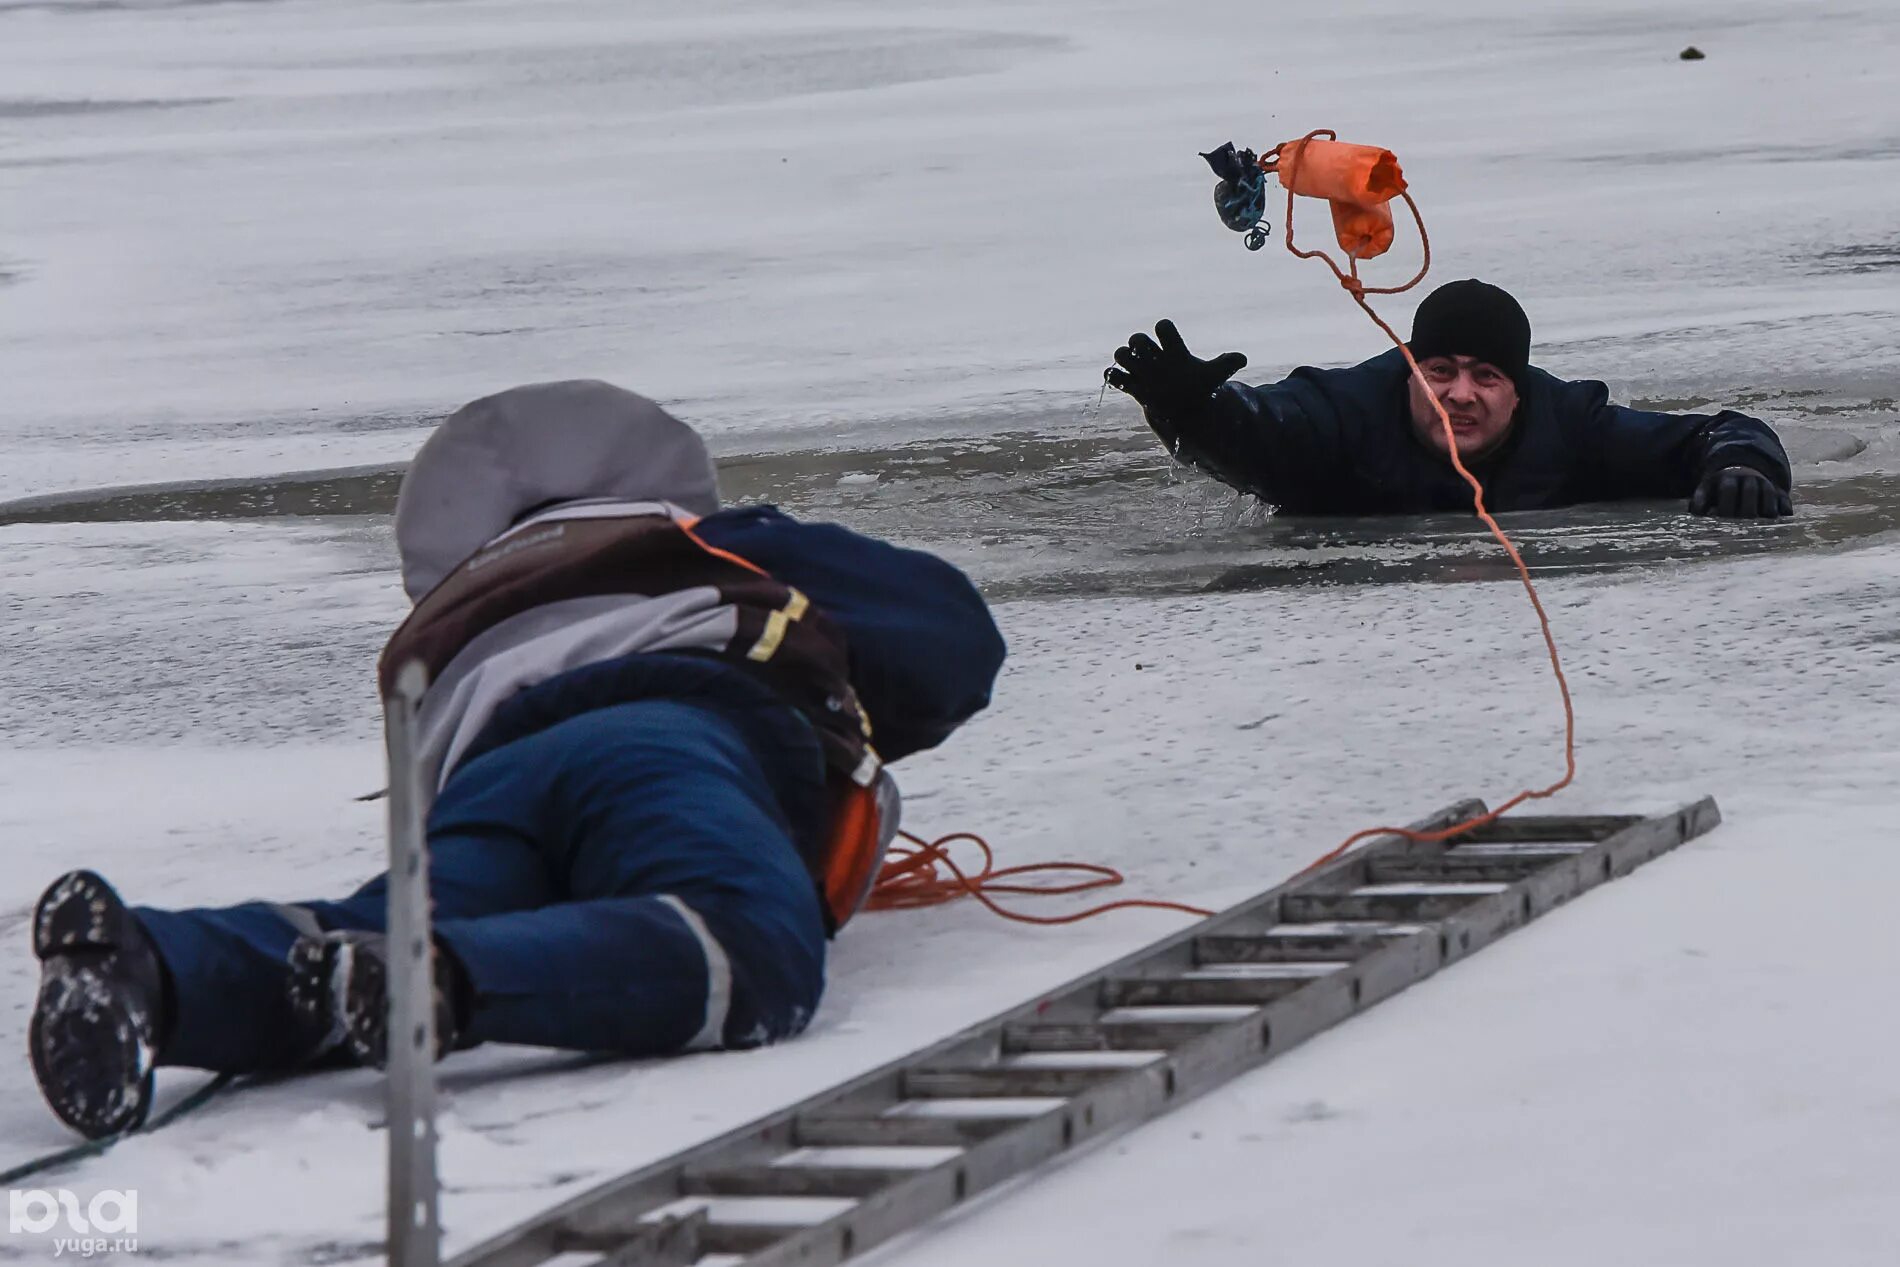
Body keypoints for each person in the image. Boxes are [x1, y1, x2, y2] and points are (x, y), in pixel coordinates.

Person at [28, 380, 1007, 1140]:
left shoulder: (459, 608)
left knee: (378, 920)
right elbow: (952, 644)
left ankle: (148, 965)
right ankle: (440, 980)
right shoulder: (696, 538)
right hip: (670, 732)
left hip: (494, 774)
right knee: (747, 940)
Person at [1106, 279, 1795, 518]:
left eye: (1486, 376)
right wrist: (1192, 411)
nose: (1459, 395)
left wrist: (1746, 467)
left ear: (1518, 393)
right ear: (1409, 368)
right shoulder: (1346, 410)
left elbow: (1721, 434)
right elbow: (1258, 430)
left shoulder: (1567, 424)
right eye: (1440, 369)